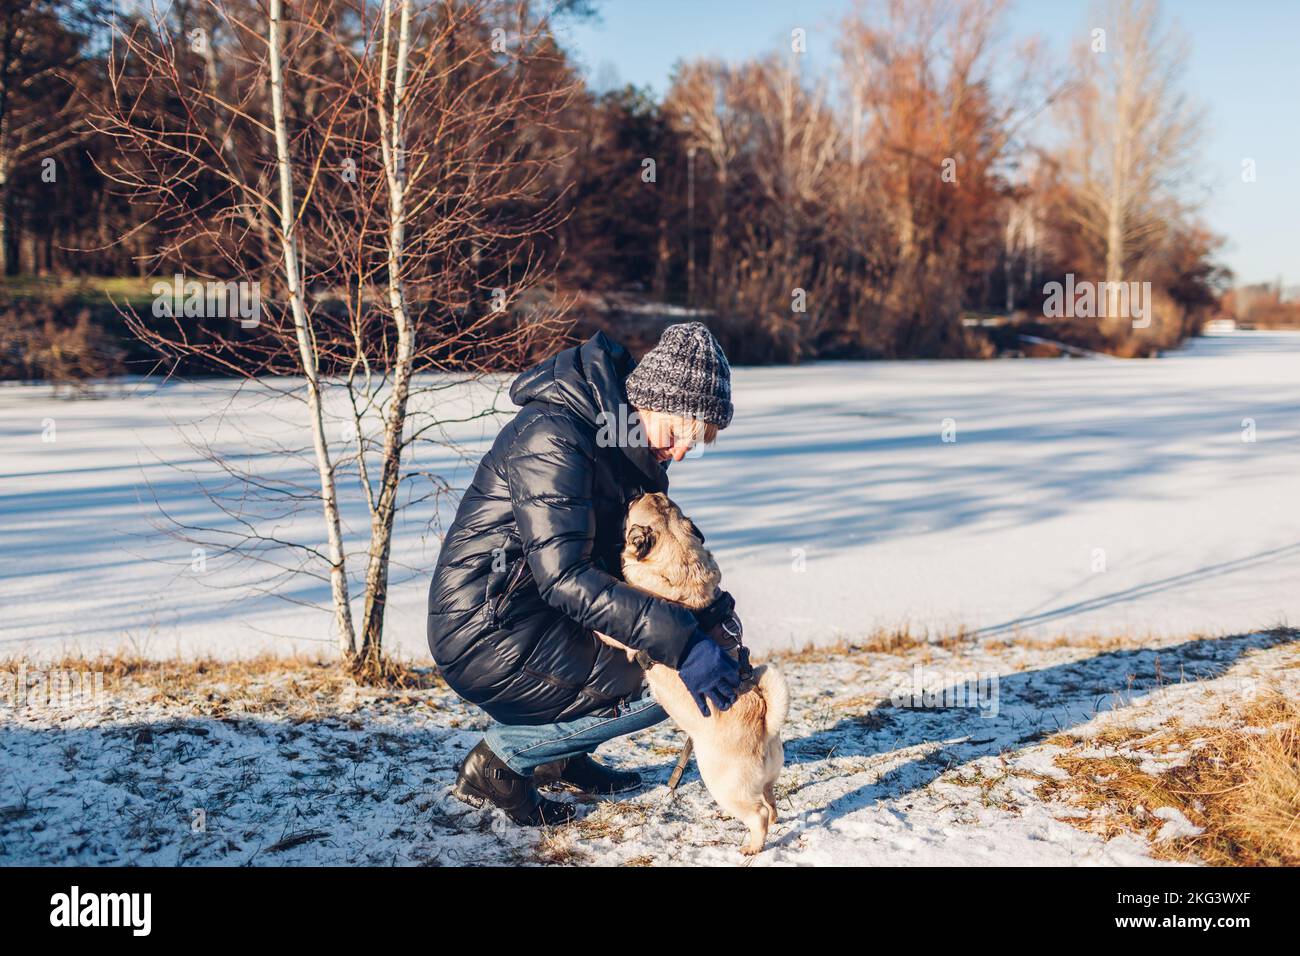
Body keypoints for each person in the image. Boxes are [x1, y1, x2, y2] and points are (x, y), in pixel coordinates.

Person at [427, 322, 742, 825]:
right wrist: (681, 644)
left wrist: (710, 611)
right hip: (486, 628)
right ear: (651, 399)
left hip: (539, 615)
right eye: (679, 432)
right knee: (666, 683)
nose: (682, 451)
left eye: (695, 441)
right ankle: (502, 762)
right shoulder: (556, 434)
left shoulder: (622, 445)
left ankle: (563, 755)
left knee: (677, 651)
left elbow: (629, 557)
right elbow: (564, 575)